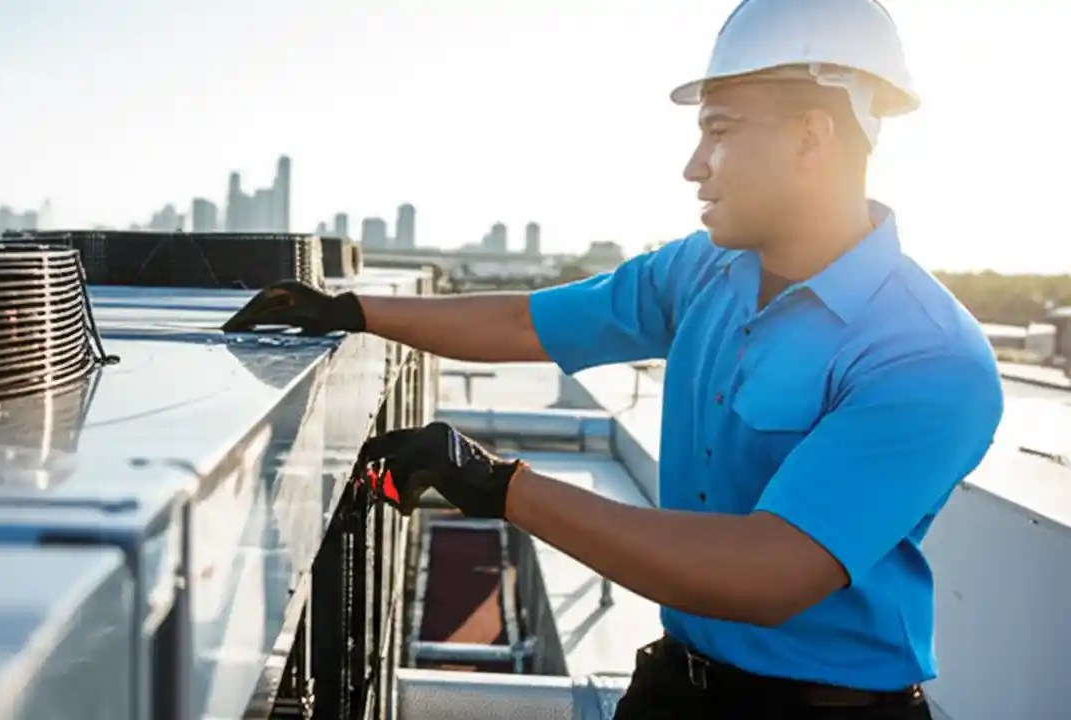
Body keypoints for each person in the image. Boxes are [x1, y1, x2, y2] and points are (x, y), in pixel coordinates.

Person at [223, 1, 1003, 717]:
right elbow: (530, 323)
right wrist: (353, 311)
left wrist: (500, 486)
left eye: (721, 130)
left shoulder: (927, 356)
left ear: (811, 138)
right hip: (674, 686)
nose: (694, 166)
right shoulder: (704, 272)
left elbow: (768, 574)